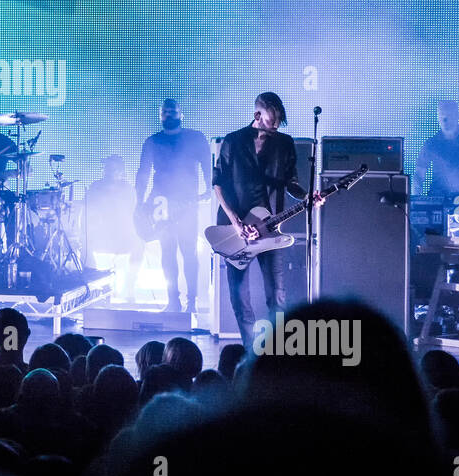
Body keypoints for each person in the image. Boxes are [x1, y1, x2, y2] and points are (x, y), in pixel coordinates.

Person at [212, 92, 323, 344]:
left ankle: (276, 353)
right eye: (271, 121)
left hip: (271, 228)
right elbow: (218, 184)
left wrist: (307, 197)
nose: (275, 127)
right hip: (237, 229)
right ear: (257, 115)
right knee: (240, 296)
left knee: (278, 296)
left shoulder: (284, 144)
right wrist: (236, 223)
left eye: (278, 122)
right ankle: (251, 352)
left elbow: (291, 183)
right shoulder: (233, 141)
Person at [135, 99, 212, 313]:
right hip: (161, 203)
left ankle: (192, 302)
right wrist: (139, 202)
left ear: (181, 114)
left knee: (189, 252)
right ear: (160, 116)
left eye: (172, 112)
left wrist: (209, 188)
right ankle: (173, 301)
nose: (168, 115)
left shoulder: (195, 138)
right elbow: (143, 173)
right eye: (164, 112)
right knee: (167, 251)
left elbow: (208, 164)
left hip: (187, 202)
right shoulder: (152, 141)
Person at [84, 155, 147, 301]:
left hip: (123, 234)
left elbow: (132, 211)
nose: (110, 171)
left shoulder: (128, 188)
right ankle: (103, 290)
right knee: (89, 248)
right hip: (101, 235)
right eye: (107, 168)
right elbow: (88, 210)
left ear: (120, 171)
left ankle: (129, 288)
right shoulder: (96, 186)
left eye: (113, 168)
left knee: (139, 246)